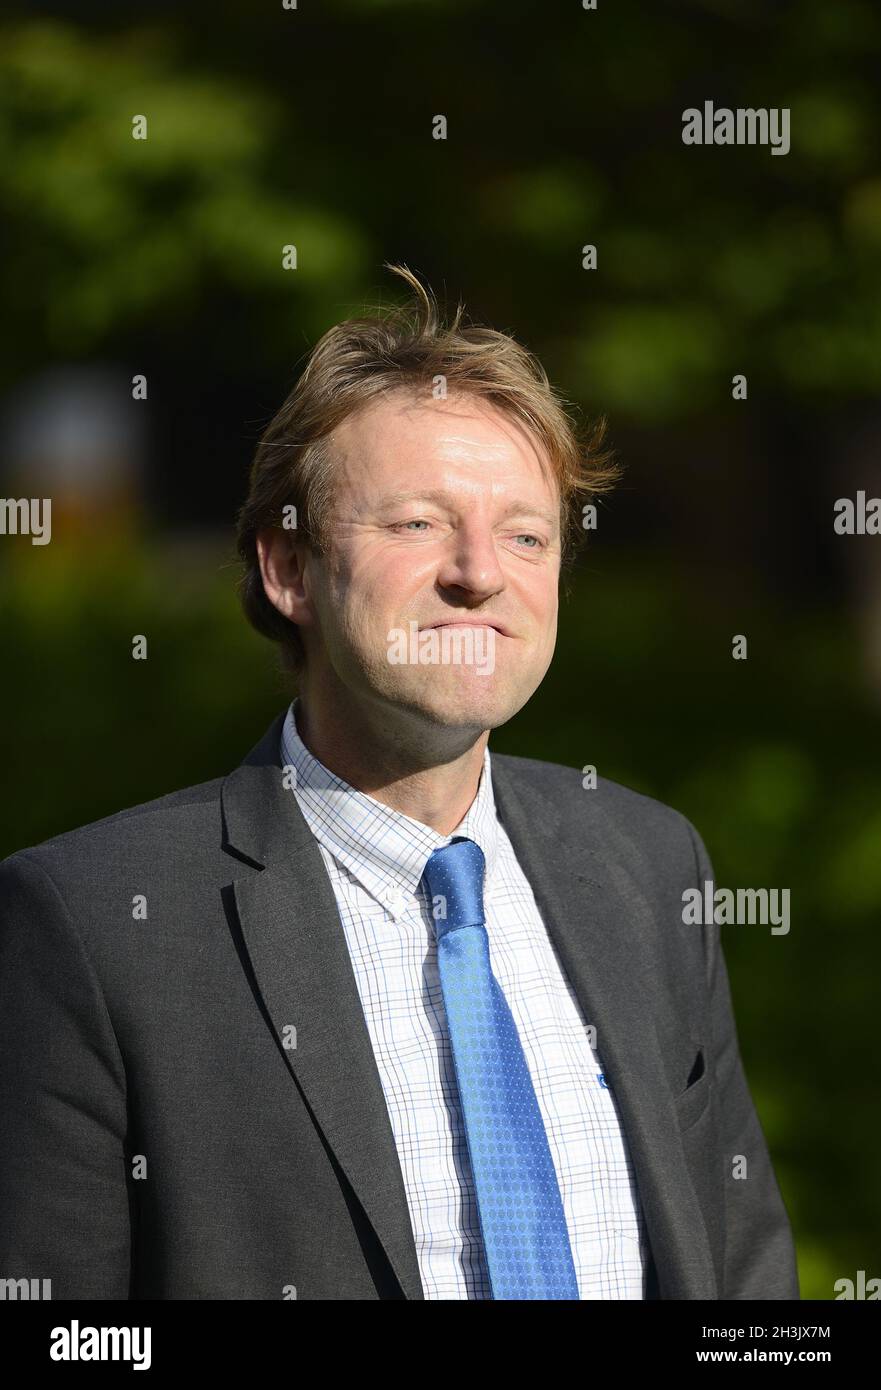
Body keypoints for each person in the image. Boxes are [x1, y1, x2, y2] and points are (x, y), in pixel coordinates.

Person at [0, 266, 799, 1300]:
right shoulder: (97, 922)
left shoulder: (646, 864)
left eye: (525, 533)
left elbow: (741, 1279)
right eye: (417, 522)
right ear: (288, 568)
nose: (480, 570)